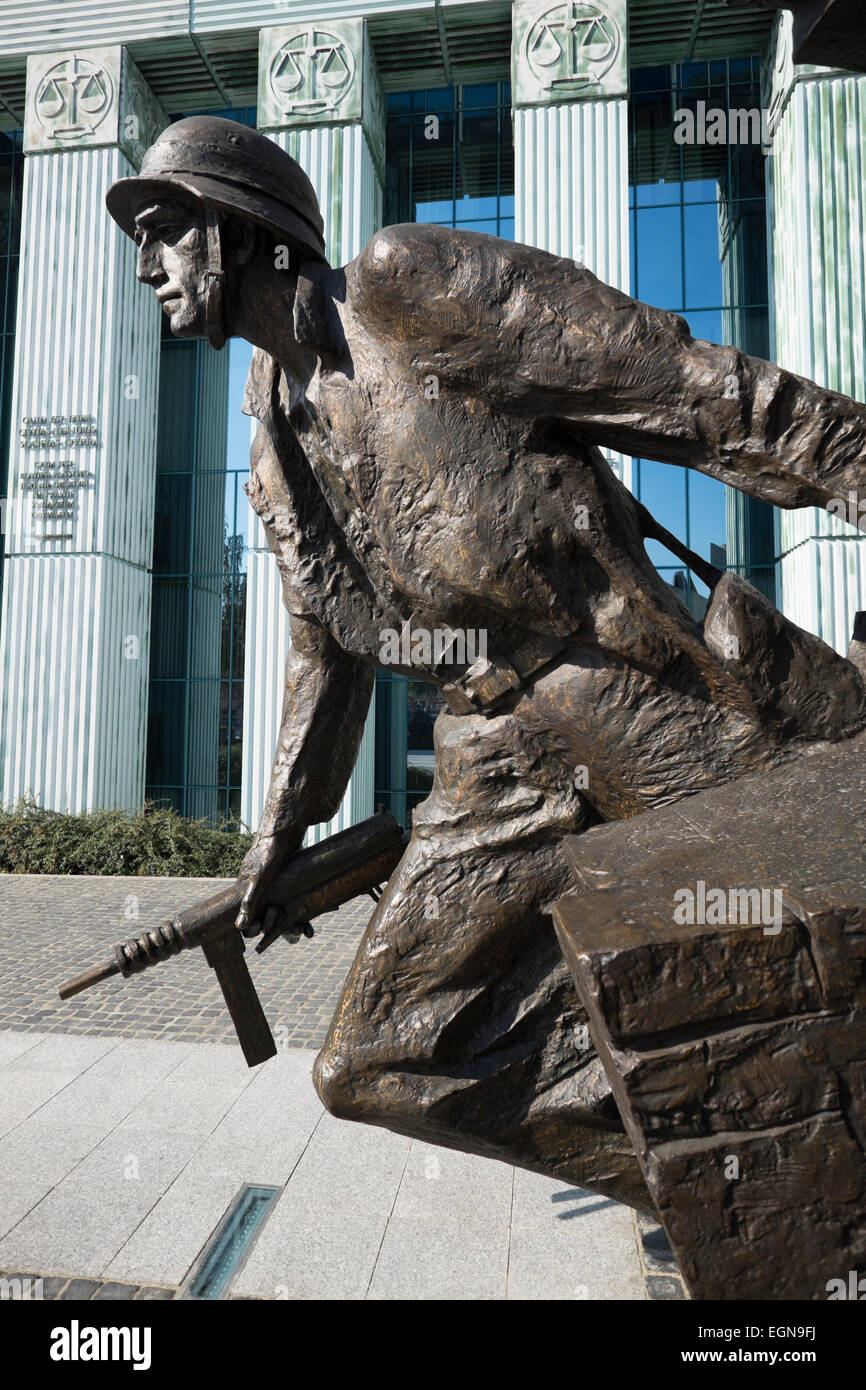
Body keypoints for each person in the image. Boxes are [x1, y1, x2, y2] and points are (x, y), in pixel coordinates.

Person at [107, 116, 866, 1210]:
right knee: (372, 1062)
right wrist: (276, 840)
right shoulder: (269, 424)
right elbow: (323, 651)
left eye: (166, 230)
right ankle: (733, 1187)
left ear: (240, 231)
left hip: (645, 704)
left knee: (783, 970)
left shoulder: (404, 288)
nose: (148, 267)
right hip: (487, 760)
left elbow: (700, 395)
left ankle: (778, 1182)